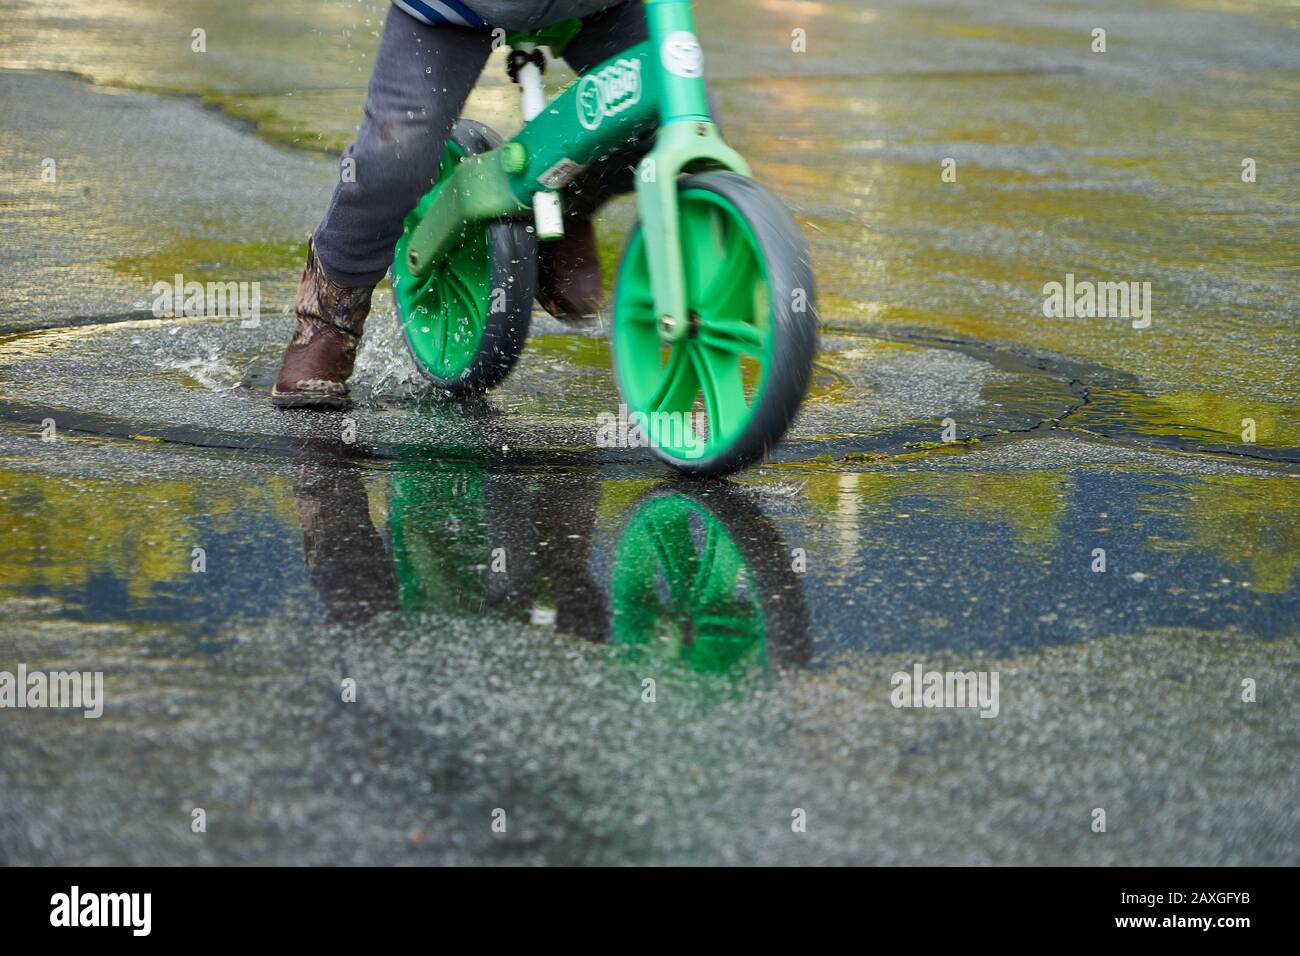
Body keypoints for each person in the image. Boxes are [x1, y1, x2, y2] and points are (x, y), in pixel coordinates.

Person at [273, 0, 650, 409]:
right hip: (455, 8)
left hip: (599, 5)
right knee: (396, 153)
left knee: (667, 113)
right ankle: (331, 313)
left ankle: (567, 195)